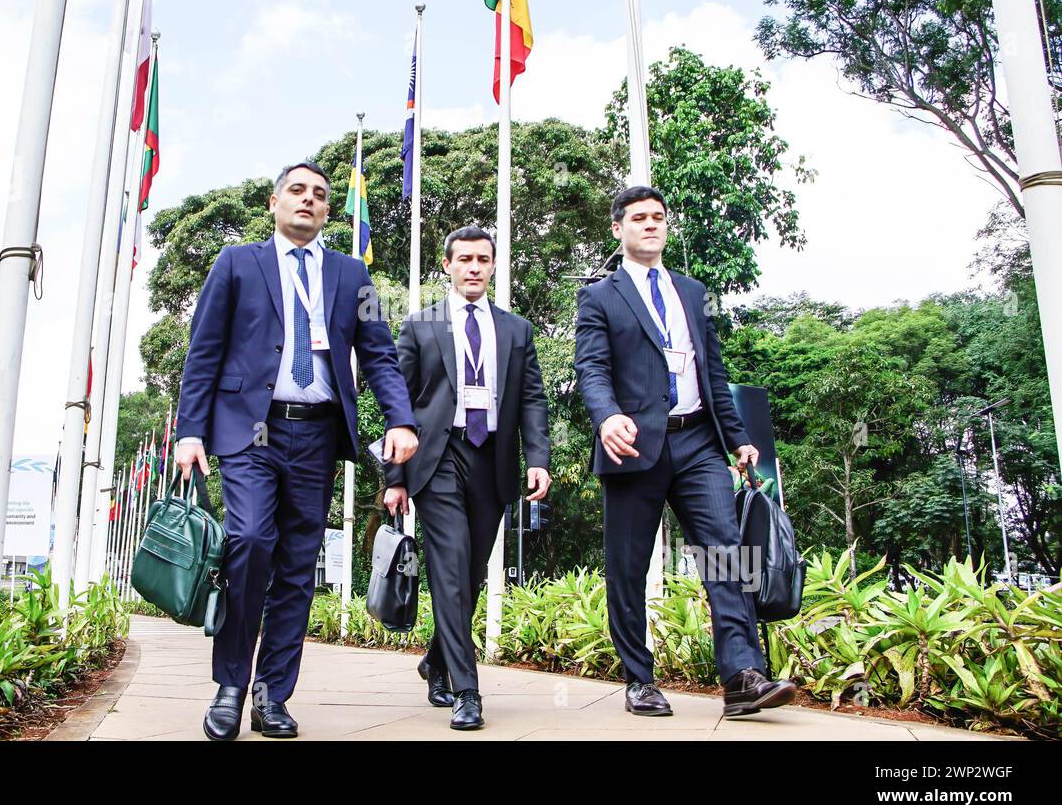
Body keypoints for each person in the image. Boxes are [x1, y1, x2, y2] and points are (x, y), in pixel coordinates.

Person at [173, 162, 418, 741]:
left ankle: (271, 693)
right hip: (248, 430)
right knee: (252, 540)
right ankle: (231, 685)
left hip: (316, 435)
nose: (309, 200)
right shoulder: (237, 264)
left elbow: (379, 354)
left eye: (320, 195)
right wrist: (190, 431)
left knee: (297, 567)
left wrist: (400, 420)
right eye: (298, 191)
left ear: (328, 211)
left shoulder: (351, 275)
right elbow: (203, 352)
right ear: (274, 202)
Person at [573, 185, 796, 718]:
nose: (650, 225)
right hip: (632, 446)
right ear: (618, 229)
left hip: (698, 442)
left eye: (658, 217)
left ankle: (743, 675)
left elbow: (712, 373)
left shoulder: (693, 293)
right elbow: (592, 368)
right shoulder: (600, 296)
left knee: (727, 554)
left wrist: (741, 440)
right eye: (639, 218)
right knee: (627, 568)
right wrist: (607, 418)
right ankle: (638, 680)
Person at [383, 225, 550, 730]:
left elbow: (533, 398)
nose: (474, 267)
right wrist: (395, 475)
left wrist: (538, 457)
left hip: (493, 460)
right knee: (451, 570)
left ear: (493, 266)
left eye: (483, 259)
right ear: (447, 265)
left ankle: (436, 660)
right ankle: (467, 689)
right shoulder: (419, 326)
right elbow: (398, 405)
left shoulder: (517, 330)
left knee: (470, 575)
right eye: (465, 259)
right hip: (437, 460)